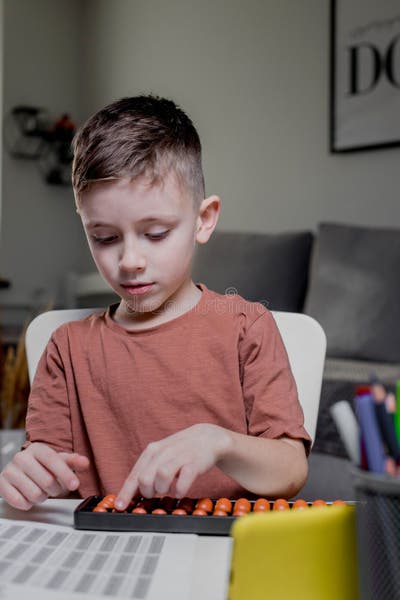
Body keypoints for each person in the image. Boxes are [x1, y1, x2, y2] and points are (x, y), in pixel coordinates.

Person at [0, 95, 310, 511]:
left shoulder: (246, 326)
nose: (130, 261)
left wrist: (218, 442)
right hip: (105, 557)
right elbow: (51, 478)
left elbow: (291, 469)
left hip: (219, 552)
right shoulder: (66, 348)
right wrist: (31, 476)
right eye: (105, 237)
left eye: (156, 233)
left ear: (203, 220)